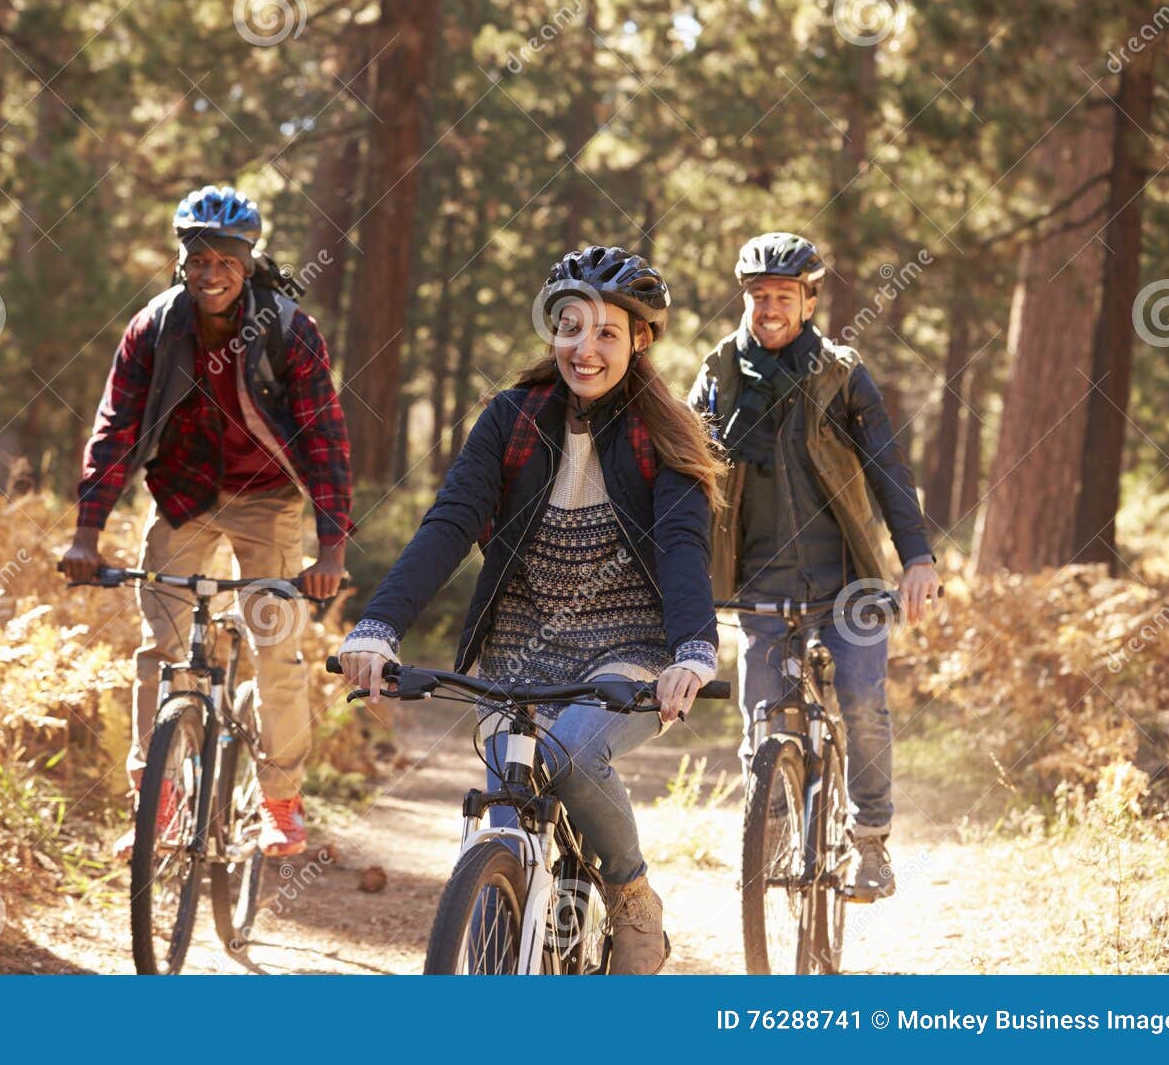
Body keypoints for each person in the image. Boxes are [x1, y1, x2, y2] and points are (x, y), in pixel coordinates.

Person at [339, 246, 724, 974]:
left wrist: (692, 650)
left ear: (639, 340)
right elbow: (451, 521)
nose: (586, 348)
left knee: (573, 755)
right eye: (571, 327)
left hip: (628, 645)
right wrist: (379, 625)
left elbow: (681, 541)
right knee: (509, 807)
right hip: (516, 647)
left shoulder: (662, 432)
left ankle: (632, 893)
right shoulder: (512, 418)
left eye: (607, 332)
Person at [60, 185, 353, 860]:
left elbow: (325, 438)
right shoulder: (155, 328)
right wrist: (86, 533)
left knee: (274, 644)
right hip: (185, 494)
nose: (211, 270)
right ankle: (157, 803)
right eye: (198, 256)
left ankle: (281, 803)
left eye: (226, 257)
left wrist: (331, 546)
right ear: (181, 259)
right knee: (161, 647)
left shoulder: (288, 329)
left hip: (268, 495)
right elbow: (115, 430)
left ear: (248, 262)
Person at [687, 231, 940, 902]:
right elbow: (681, 472)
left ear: (808, 301)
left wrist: (916, 556)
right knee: (760, 717)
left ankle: (870, 842)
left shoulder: (841, 373)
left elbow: (887, 467)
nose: (769, 308)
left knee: (860, 699)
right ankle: (767, 824)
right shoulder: (718, 375)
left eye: (783, 296)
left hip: (846, 582)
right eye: (758, 295)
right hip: (760, 583)